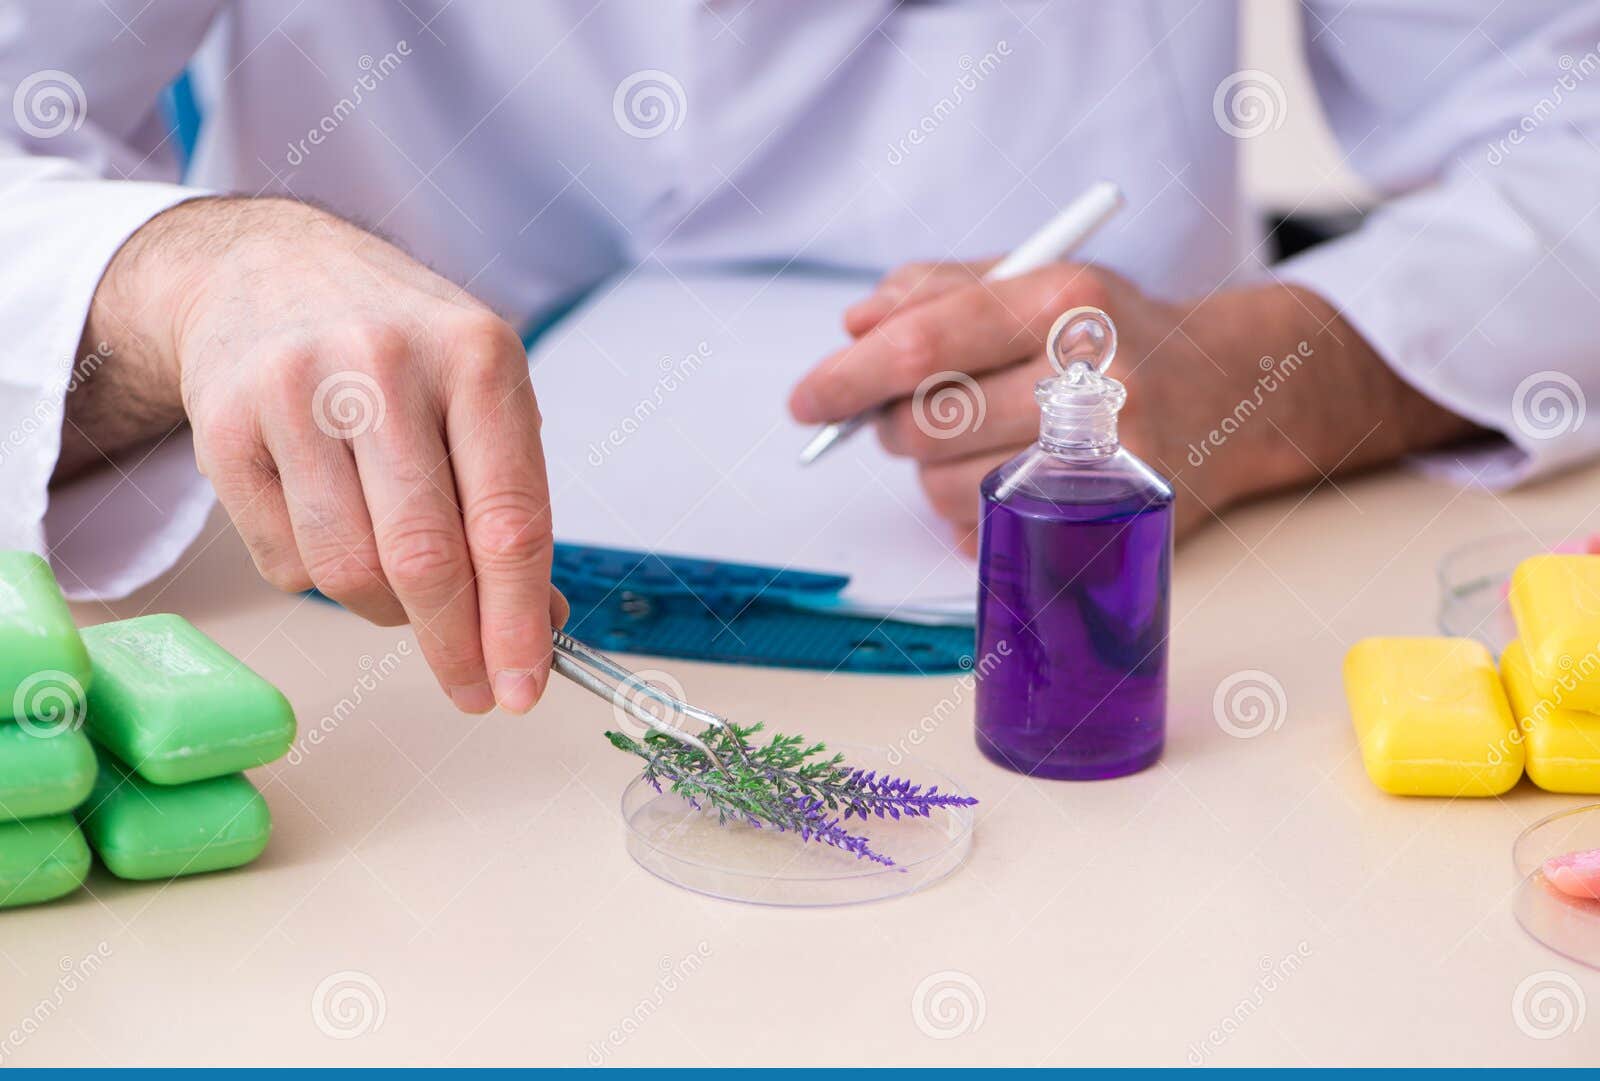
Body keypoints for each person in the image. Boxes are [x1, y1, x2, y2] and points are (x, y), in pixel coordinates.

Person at [3, 2, 1596, 715]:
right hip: (392, 679)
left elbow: (1569, 112)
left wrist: (1270, 373)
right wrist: (176, 276)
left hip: (1126, 625)